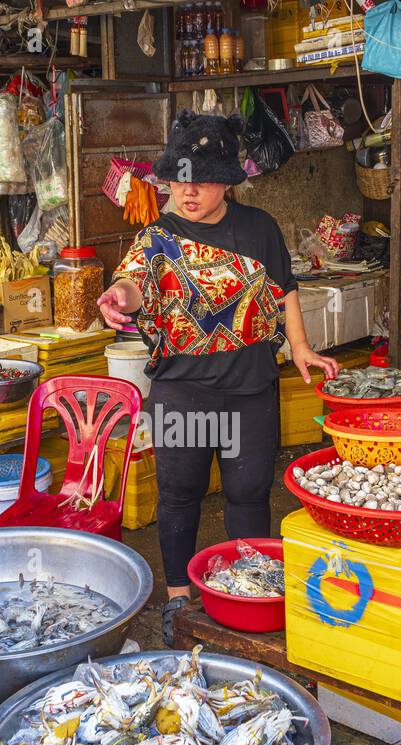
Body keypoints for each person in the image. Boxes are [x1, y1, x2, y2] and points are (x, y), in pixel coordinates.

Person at [97, 110, 339, 640]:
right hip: (184, 393)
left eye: (202, 181)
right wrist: (118, 298)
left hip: (250, 390)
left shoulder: (259, 229)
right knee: (179, 493)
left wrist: (300, 347)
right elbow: (132, 282)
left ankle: (246, 588)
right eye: (180, 180)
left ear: (228, 180)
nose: (188, 192)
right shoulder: (157, 237)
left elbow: (286, 290)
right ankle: (180, 601)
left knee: (249, 492)